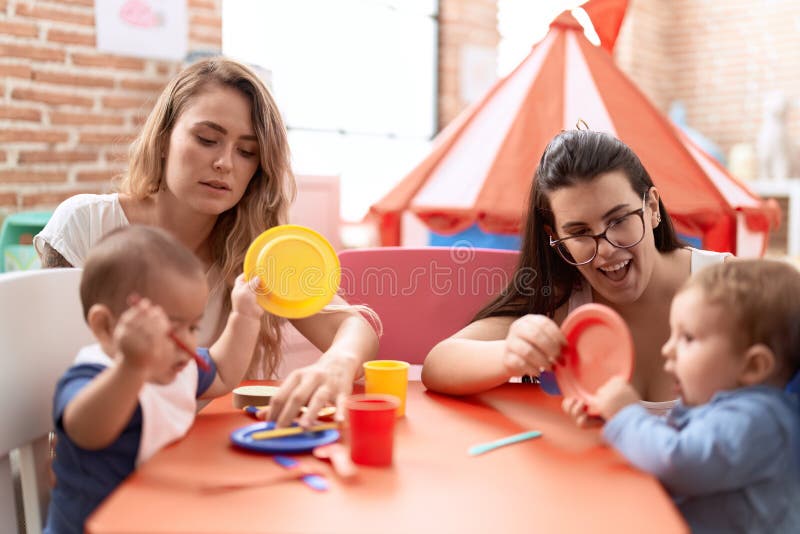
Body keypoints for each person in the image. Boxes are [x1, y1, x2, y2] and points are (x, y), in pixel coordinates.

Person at [33, 57, 378, 427]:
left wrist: (336, 364)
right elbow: (46, 374)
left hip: (212, 456)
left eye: (246, 152)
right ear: (164, 138)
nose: (224, 163)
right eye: (207, 139)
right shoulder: (87, 224)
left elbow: (355, 326)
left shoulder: (257, 253)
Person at [421, 129, 730, 419]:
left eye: (619, 220)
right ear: (556, 239)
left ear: (651, 207)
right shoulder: (565, 306)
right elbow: (438, 364)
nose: (607, 248)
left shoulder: (731, 286)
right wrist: (510, 353)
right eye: (580, 232)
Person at [44, 226, 264, 533]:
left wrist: (245, 317)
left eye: (194, 327)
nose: (188, 345)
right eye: (172, 329)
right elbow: (86, 430)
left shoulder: (177, 363)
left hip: (161, 517)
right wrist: (131, 368)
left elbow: (224, 373)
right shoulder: (91, 375)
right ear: (107, 327)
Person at [591, 259, 800, 533]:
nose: (668, 349)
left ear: (753, 366)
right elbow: (671, 437)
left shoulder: (760, 419)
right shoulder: (724, 408)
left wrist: (625, 416)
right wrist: (608, 419)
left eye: (687, 338)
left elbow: (677, 460)